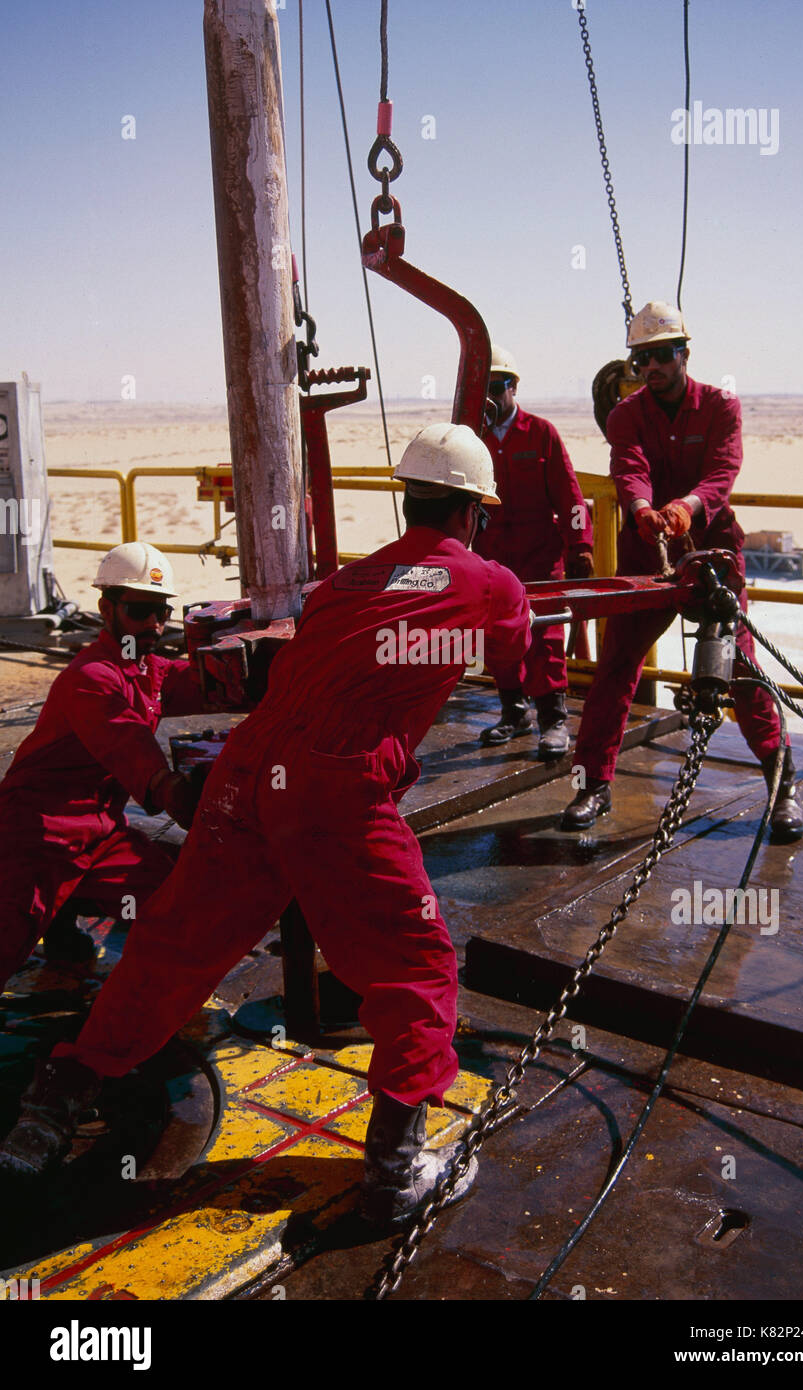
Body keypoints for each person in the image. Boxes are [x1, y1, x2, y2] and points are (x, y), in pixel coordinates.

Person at [0, 425, 532, 1230]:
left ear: (407, 497)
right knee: (413, 968)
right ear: (473, 513)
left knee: (172, 948)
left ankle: (50, 1108)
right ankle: (395, 1171)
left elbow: (334, 648)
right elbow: (513, 646)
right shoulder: (480, 577)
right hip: (334, 787)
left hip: (244, 777)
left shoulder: (348, 583)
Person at [562, 302, 803, 842]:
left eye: (662, 355)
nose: (652, 366)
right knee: (617, 666)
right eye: (642, 357)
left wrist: (687, 508)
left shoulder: (721, 407)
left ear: (684, 354)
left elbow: (723, 470)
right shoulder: (627, 416)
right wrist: (644, 510)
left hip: (713, 554)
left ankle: (783, 784)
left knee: (741, 671)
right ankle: (592, 784)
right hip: (648, 555)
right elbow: (630, 469)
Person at [0, 543, 206, 992]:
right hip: (36, 835)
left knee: (167, 900)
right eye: (139, 610)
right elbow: (131, 748)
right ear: (105, 609)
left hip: (98, 834)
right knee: (8, 940)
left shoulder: (148, 671)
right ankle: (54, 917)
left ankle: (63, 919)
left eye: (161, 612)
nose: (153, 624)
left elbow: (208, 685)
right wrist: (175, 791)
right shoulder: (91, 677)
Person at [474, 345, 594, 759]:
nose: (490, 397)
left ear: (513, 386)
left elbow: (571, 496)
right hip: (493, 556)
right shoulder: (473, 438)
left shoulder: (541, 432)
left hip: (540, 553)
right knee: (499, 635)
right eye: (482, 389)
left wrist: (581, 545)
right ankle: (514, 712)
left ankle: (553, 720)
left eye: (496, 386)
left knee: (545, 634)